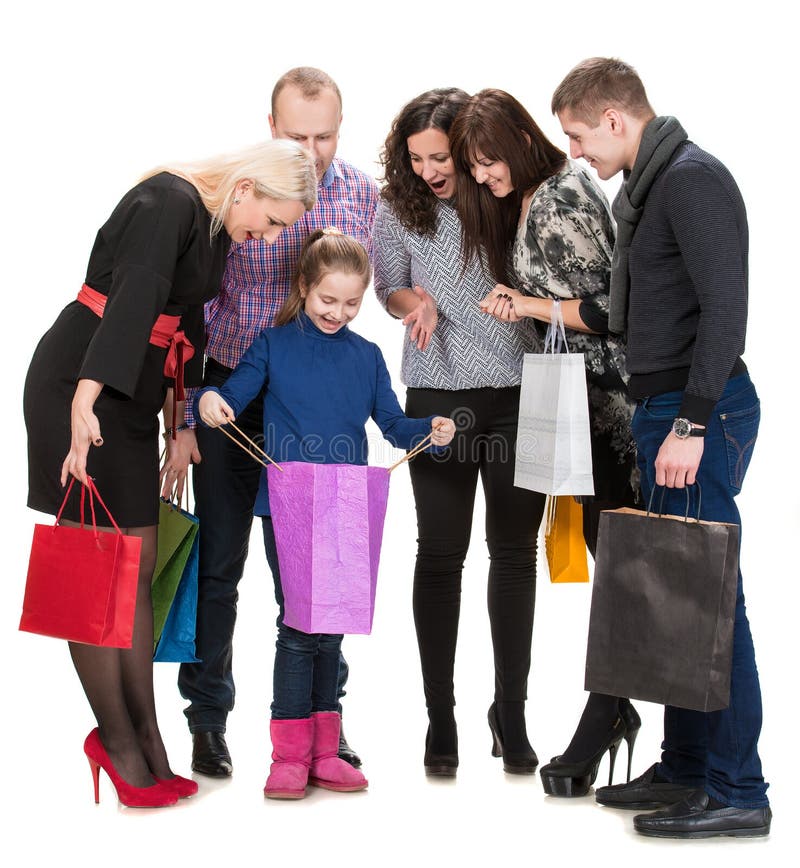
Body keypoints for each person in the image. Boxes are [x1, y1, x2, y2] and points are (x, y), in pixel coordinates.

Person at [23, 139, 317, 808]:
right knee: (99, 570)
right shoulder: (168, 201)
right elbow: (134, 300)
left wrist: (179, 426)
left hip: (131, 397)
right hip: (86, 381)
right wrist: (83, 399)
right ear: (247, 188)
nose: (267, 237)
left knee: (138, 569)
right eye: (272, 221)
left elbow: (185, 327)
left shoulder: (211, 227)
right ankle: (119, 745)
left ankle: (147, 740)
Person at [550, 56, 771, 838]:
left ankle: (739, 788)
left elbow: (725, 311)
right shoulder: (649, 189)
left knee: (709, 600)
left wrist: (692, 423)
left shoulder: (691, 180)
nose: (577, 152)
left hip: (694, 410)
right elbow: (632, 312)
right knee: (679, 597)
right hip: (663, 405)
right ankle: (685, 769)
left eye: (578, 135)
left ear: (615, 119)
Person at [195, 229, 455, 799]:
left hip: (345, 500)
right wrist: (209, 402)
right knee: (298, 623)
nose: (338, 312)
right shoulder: (272, 344)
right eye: (326, 300)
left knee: (331, 625)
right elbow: (232, 396)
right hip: (289, 499)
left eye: (352, 303)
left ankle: (324, 747)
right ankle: (288, 754)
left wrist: (430, 430)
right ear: (305, 288)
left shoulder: (365, 357)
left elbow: (392, 425)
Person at [177, 67, 379, 777]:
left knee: (320, 576)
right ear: (272, 129)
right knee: (222, 568)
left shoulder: (359, 193)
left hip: (314, 411)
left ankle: (325, 721)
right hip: (231, 399)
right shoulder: (241, 189)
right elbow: (194, 310)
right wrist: (184, 415)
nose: (314, 149)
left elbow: (357, 295)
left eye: (325, 136)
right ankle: (208, 719)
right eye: (298, 135)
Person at [449, 88, 640, 797]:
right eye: (473, 166)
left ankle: (605, 716)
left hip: (610, 407)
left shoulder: (562, 195)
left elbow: (617, 310)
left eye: (487, 160)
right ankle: (613, 711)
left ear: (521, 143)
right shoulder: (531, 197)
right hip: (575, 404)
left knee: (619, 568)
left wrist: (525, 303)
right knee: (605, 560)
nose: (482, 176)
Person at [374, 89, 544, 777]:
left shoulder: (504, 195)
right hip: (439, 394)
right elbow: (388, 286)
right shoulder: (396, 207)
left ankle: (511, 711)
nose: (428, 171)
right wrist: (417, 303)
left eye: (439, 156)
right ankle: (440, 716)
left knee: (513, 552)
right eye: (415, 158)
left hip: (520, 392)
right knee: (440, 553)